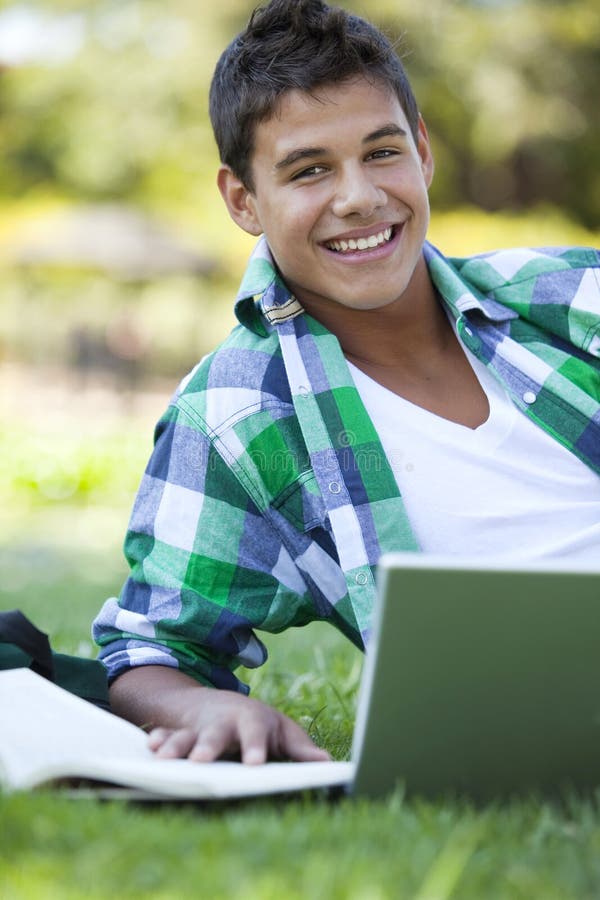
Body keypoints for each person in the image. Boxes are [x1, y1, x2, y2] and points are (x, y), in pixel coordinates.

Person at [93, 0, 600, 765]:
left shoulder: (570, 296)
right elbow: (149, 648)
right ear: (243, 200)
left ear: (423, 153)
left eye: (382, 152)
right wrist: (204, 705)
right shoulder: (237, 414)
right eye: (309, 170)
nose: (359, 196)